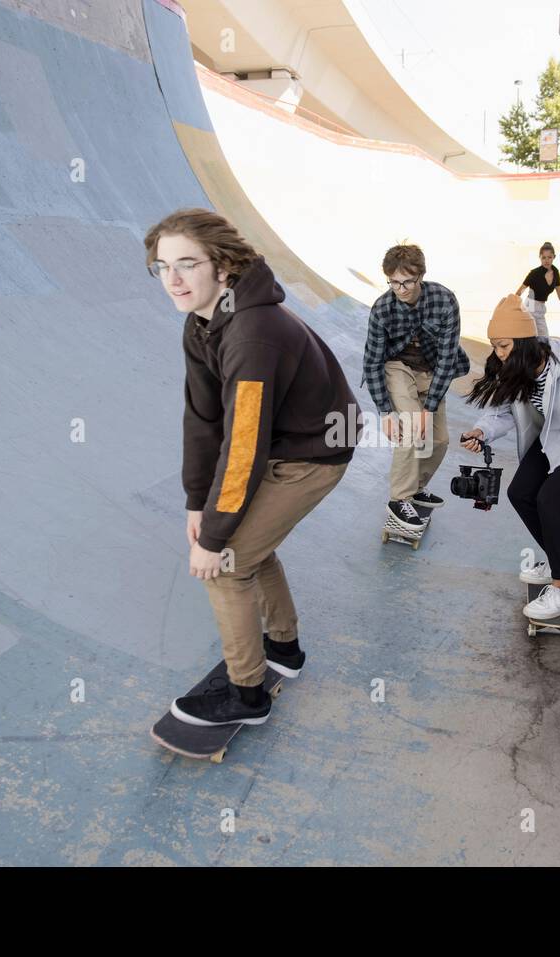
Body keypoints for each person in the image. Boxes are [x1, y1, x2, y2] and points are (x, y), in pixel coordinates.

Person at [146, 208, 360, 727]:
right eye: (161, 266)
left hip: (315, 450)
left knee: (227, 566)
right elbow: (203, 422)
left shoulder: (251, 332)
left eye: (187, 264)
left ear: (222, 265)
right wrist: (198, 503)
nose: (172, 279)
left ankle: (246, 697)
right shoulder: (201, 322)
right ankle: (282, 651)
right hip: (282, 440)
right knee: (248, 545)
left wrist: (214, 539)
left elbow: (243, 445)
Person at [460, 295, 560, 622]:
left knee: (548, 502)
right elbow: (502, 413)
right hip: (547, 439)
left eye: (503, 346)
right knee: (519, 493)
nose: (497, 354)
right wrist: (481, 432)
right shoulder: (519, 368)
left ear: (523, 343)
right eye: (495, 346)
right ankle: (559, 559)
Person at [362, 243, 470, 535]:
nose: (401, 289)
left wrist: (430, 408)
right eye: (394, 282)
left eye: (407, 281)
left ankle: (416, 488)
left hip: (432, 370)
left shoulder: (444, 301)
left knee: (439, 440)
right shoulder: (382, 309)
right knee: (411, 426)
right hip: (396, 367)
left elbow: (448, 360)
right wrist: (385, 412)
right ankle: (399, 500)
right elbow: (372, 362)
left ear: (420, 275)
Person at [515, 241, 560, 339]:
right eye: (544, 257)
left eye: (549, 257)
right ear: (540, 257)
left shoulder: (555, 272)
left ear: (554, 257)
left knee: (544, 340)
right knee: (531, 338)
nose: (546, 260)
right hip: (530, 306)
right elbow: (520, 292)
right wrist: (510, 307)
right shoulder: (534, 273)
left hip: (541, 308)